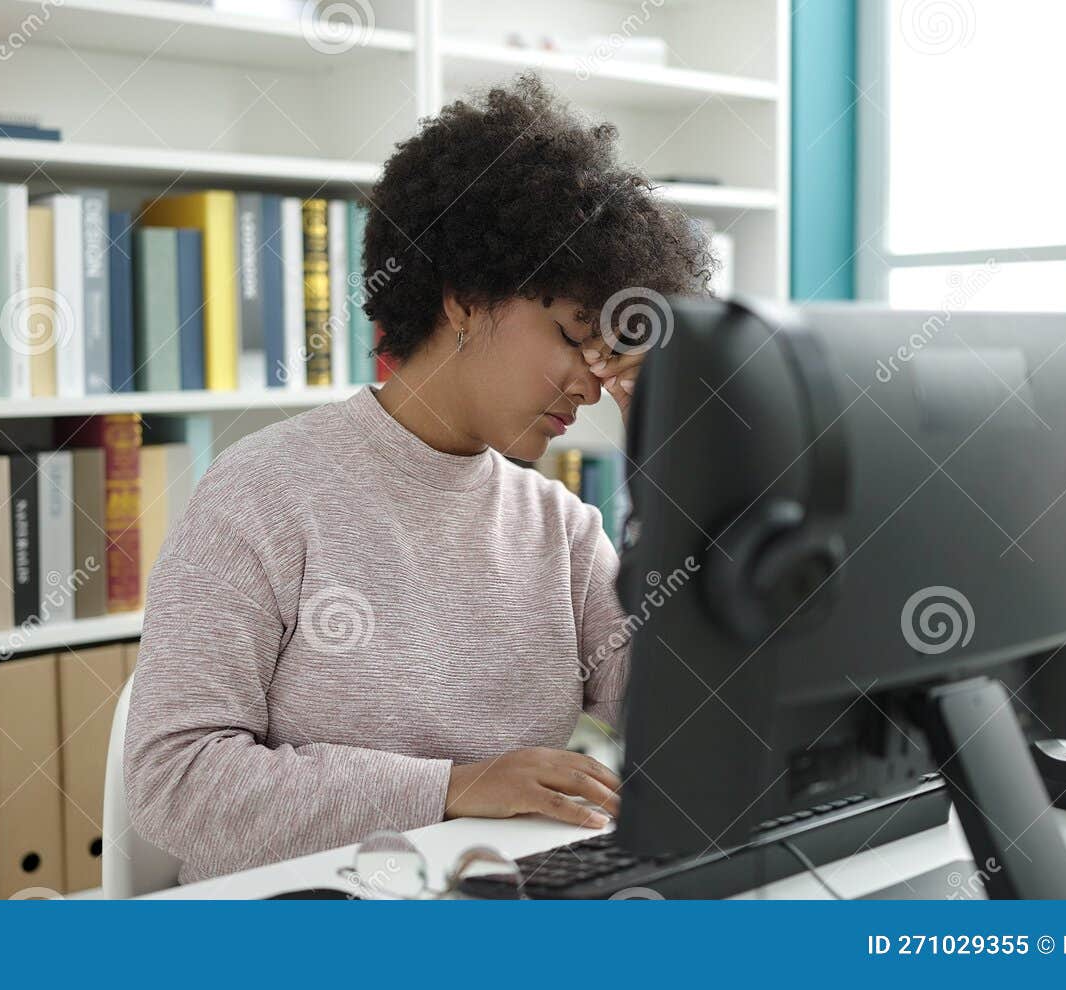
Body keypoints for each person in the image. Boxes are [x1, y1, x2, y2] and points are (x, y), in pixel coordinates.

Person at [125, 73, 714, 883]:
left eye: (610, 354)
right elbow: (174, 784)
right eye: (576, 336)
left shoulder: (563, 530)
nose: (591, 382)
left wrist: (680, 440)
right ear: (467, 300)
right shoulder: (262, 493)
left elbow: (691, 731)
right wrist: (451, 789)